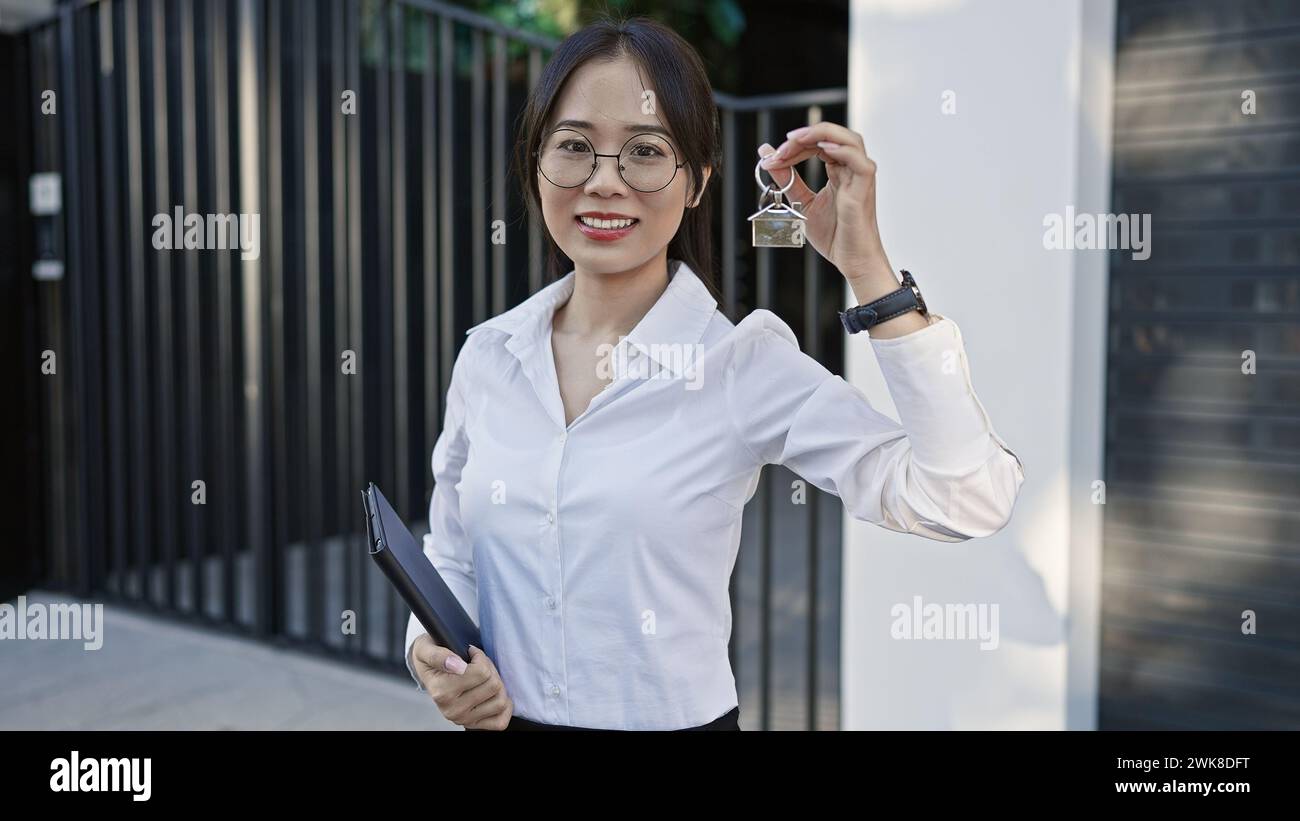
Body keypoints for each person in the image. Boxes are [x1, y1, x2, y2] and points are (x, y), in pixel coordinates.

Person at [405, 15, 1025, 731]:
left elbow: (965, 498)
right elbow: (449, 552)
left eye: (645, 152)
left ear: (697, 181)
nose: (604, 182)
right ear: (535, 164)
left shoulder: (739, 364)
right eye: (574, 147)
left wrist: (870, 273)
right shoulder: (489, 355)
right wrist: (432, 654)